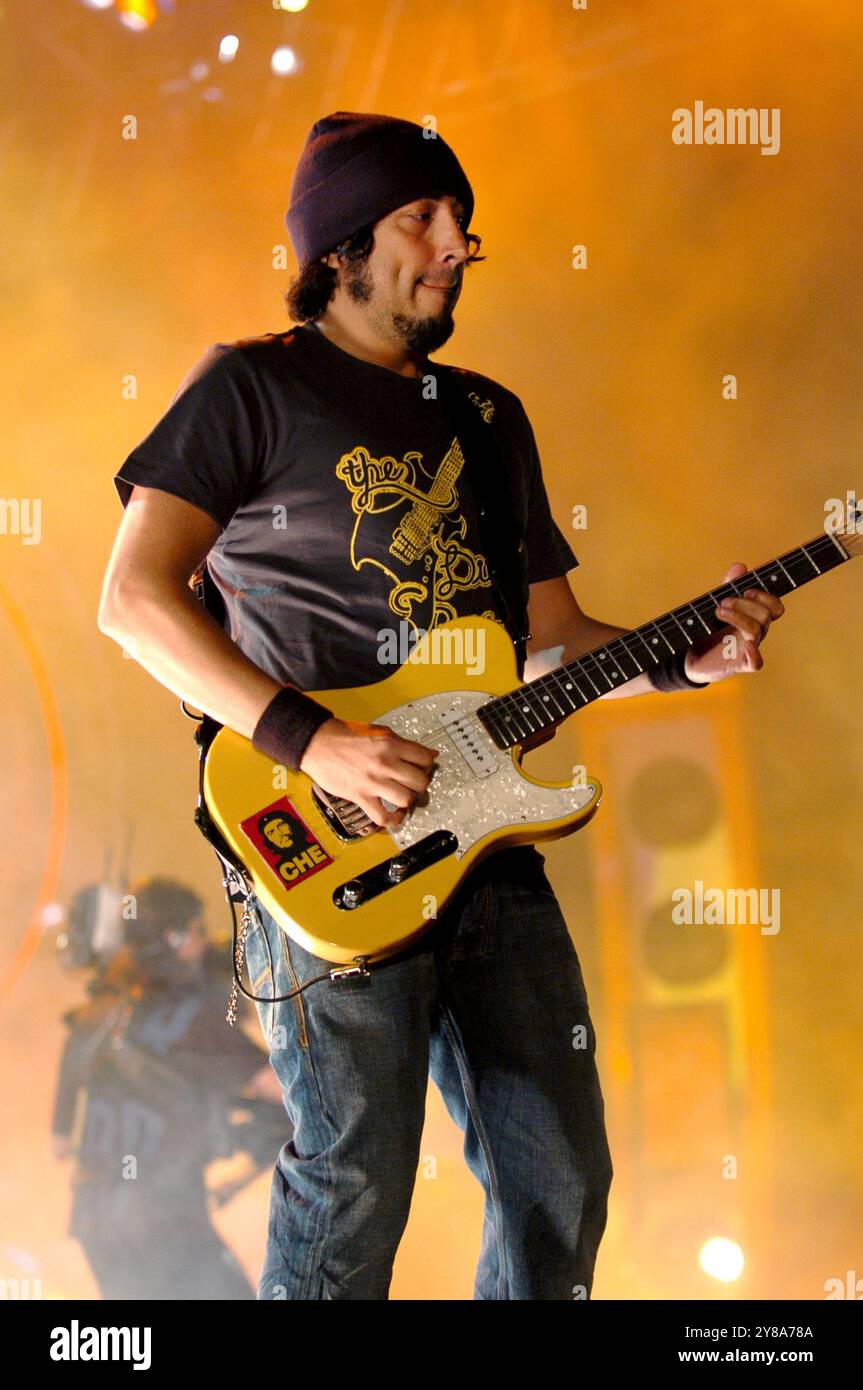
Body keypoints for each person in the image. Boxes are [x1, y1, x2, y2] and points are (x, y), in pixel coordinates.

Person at [97, 112, 785, 1299]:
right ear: (342, 250)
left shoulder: (485, 416)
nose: (456, 242)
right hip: (330, 840)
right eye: (422, 216)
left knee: (557, 1177)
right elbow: (132, 599)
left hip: (486, 842)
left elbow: (550, 644)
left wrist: (690, 660)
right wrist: (314, 743)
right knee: (355, 1182)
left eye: (461, 221)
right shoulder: (250, 387)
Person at [52, 877, 284, 1300]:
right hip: (166, 1223)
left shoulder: (95, 1015)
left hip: (97, 1226)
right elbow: (289, 1093)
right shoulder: (191, 1020)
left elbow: (59, 1145)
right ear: (173, 939)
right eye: (196, 931)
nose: (203, 944)